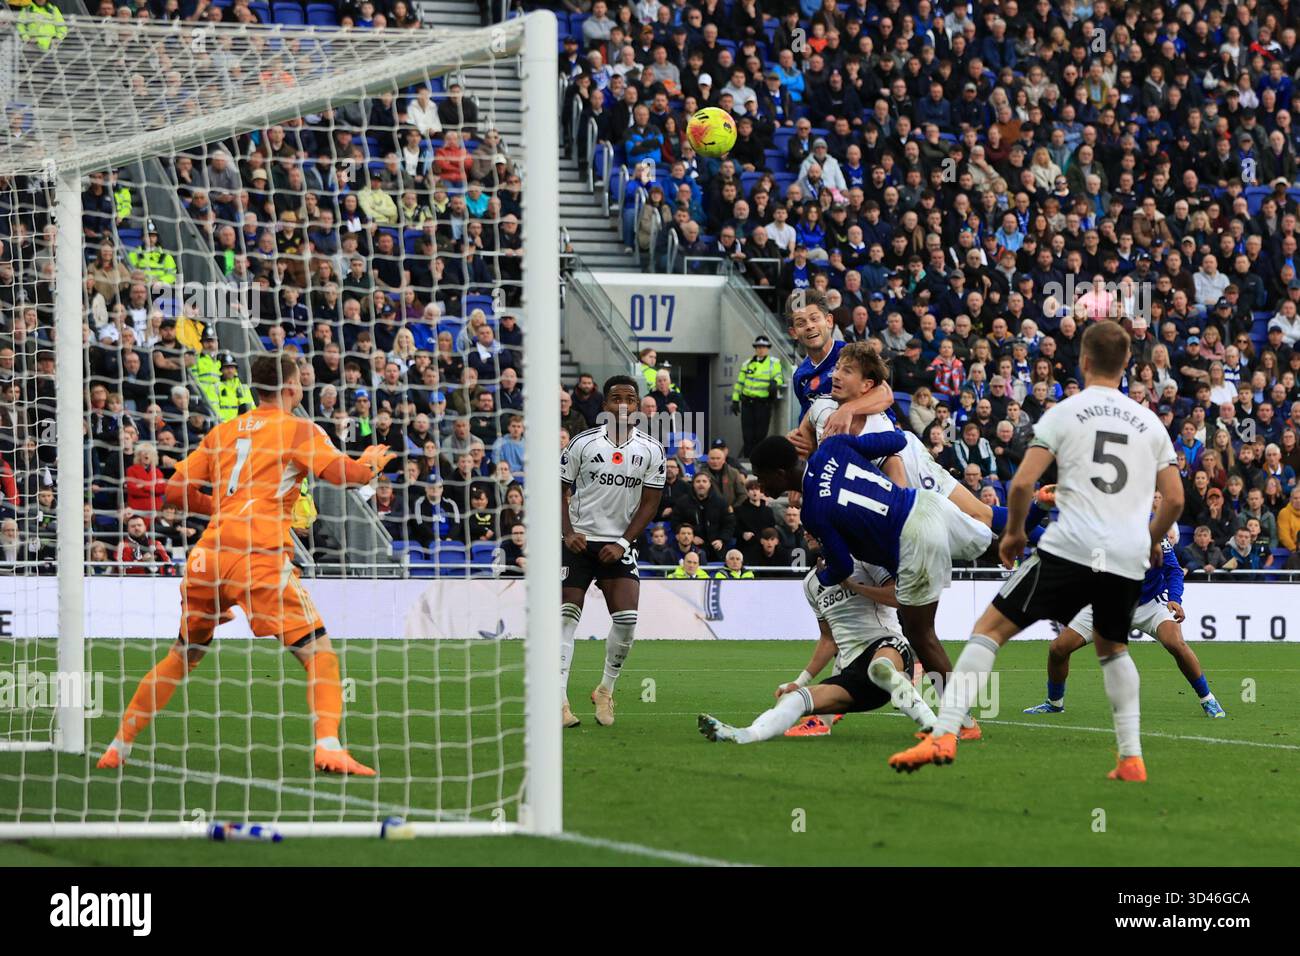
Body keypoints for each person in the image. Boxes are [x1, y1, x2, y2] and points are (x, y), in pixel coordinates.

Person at [888, 322, 1183, 782]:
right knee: (1113, 650)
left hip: (1072, 547)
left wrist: (1014, 535)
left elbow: (1022, 482)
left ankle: (945, 733)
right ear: (1126, 365)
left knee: (989, 629)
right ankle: (1131, 758)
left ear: (1083, 361)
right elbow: (1177, 498)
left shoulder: (1066, 413)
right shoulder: (1149, 423)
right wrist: (1149, 539)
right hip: (1124, 556)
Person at [98, 354, 397, 776]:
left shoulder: (224, 431)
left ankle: (117, 748)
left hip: (207, 557)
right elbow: (345, 475)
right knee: (320, 654)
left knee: (182, 655)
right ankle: (328, 746)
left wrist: (219, 504)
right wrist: (370, 465)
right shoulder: (297, 429)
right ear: (293, 387)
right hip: (257, 556)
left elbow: (174, 491)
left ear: (256, 389)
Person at [749, 422, 994, 739]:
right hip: (922, 504)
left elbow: (842, 565)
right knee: (996, 536)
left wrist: (831, 576)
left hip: (910, 537)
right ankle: (1047, 523)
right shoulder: (833, 448)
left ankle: (961, 721)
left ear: (781, 473)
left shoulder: (817, 513)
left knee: (922, 635)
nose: (759, 483)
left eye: (762, 475)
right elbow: (896, 440)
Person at [699, 561, 936, 744]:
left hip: (888, 644)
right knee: (792, 699)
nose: (807, 532)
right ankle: (745, 734)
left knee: (879, 669)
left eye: (813, 527)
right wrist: (799, 681)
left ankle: (935, 728)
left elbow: (898, 596)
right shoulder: (811, 582)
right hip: (853, 669)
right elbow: (828, 638)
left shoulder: (865, 560)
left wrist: (854, 587)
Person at [1024, 520, 1226, 718]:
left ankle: (1207, 699)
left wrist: (1174, 599)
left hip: (1149, 604)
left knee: (1176, 644)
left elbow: (1173, 570)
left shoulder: (1153, 532)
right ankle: (1054, 703)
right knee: (1058, 649)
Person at [560, 376, 667, 728]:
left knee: (627, 622)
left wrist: (623, 542)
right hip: (578, 543)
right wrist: (568, 533)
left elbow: (650, 504)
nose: (623, 404)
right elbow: (558, 488)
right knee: (564, 619)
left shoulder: (651, 450)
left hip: (617, 544)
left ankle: (605, 691)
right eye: (616, 399)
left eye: (630, 399)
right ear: (605, 405)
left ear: (637, 406)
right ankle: (559, 700)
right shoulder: (582, 444)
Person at [731, 335, 785, 457]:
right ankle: (747, 458)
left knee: (760, 434)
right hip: (747, 403)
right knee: (747, 434)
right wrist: (735, 400)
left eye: (763, 347)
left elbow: (779, 377)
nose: (761, 349)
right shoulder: (747, 364)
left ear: (768, 349)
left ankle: (758, 459)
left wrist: (775, 383)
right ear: (755, 348)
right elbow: (740, 383)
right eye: (758, 347)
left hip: (763, 404)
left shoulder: (773, 363)